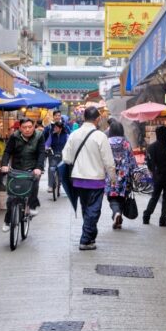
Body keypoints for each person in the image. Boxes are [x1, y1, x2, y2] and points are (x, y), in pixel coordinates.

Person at [62, 107, 116, 250]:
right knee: (93, 210)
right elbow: (109, 162)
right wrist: (113, 178)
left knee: (86, 208)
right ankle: (85, 240)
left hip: (77, 180)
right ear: (97, 119)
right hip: (95, 180)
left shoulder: (74, 134)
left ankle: (91, 237)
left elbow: (66, 157)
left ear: (84, 117)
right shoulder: (100, 136)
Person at [0, 118, 45, 231]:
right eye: (24, 127)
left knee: (34, 184)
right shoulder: (14, 137)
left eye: (30, 127)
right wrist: (5, 164)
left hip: (32, 169)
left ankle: (32, 205)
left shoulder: (39, 136)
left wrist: (39, 168)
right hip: (16, 169)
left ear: (34, 126)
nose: (27, 129)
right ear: (20, 128)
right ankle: (7, 221)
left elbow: (41, 153)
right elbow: (7, 152)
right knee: (12, 197)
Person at [105, 119, 136, 230]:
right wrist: (134, 172)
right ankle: (118, 218)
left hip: (111, 174)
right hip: (124, 174)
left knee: (112, 197)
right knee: (122, 196)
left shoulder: (107, 142)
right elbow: (131, 159)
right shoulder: (125, 143)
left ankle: (116, 213)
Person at [45, 120, 69, 193]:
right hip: (54, 154)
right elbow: (47, 143)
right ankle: (50, 186)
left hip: (64, 155)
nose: (54, 129)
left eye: (56, 128)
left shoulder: (66, 136)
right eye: (54, 127)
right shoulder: (52, 135)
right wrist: (46, 148)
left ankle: (64, 183)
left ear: (60, 128)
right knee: (51, 169)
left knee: (65, 170)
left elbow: (69, 145)